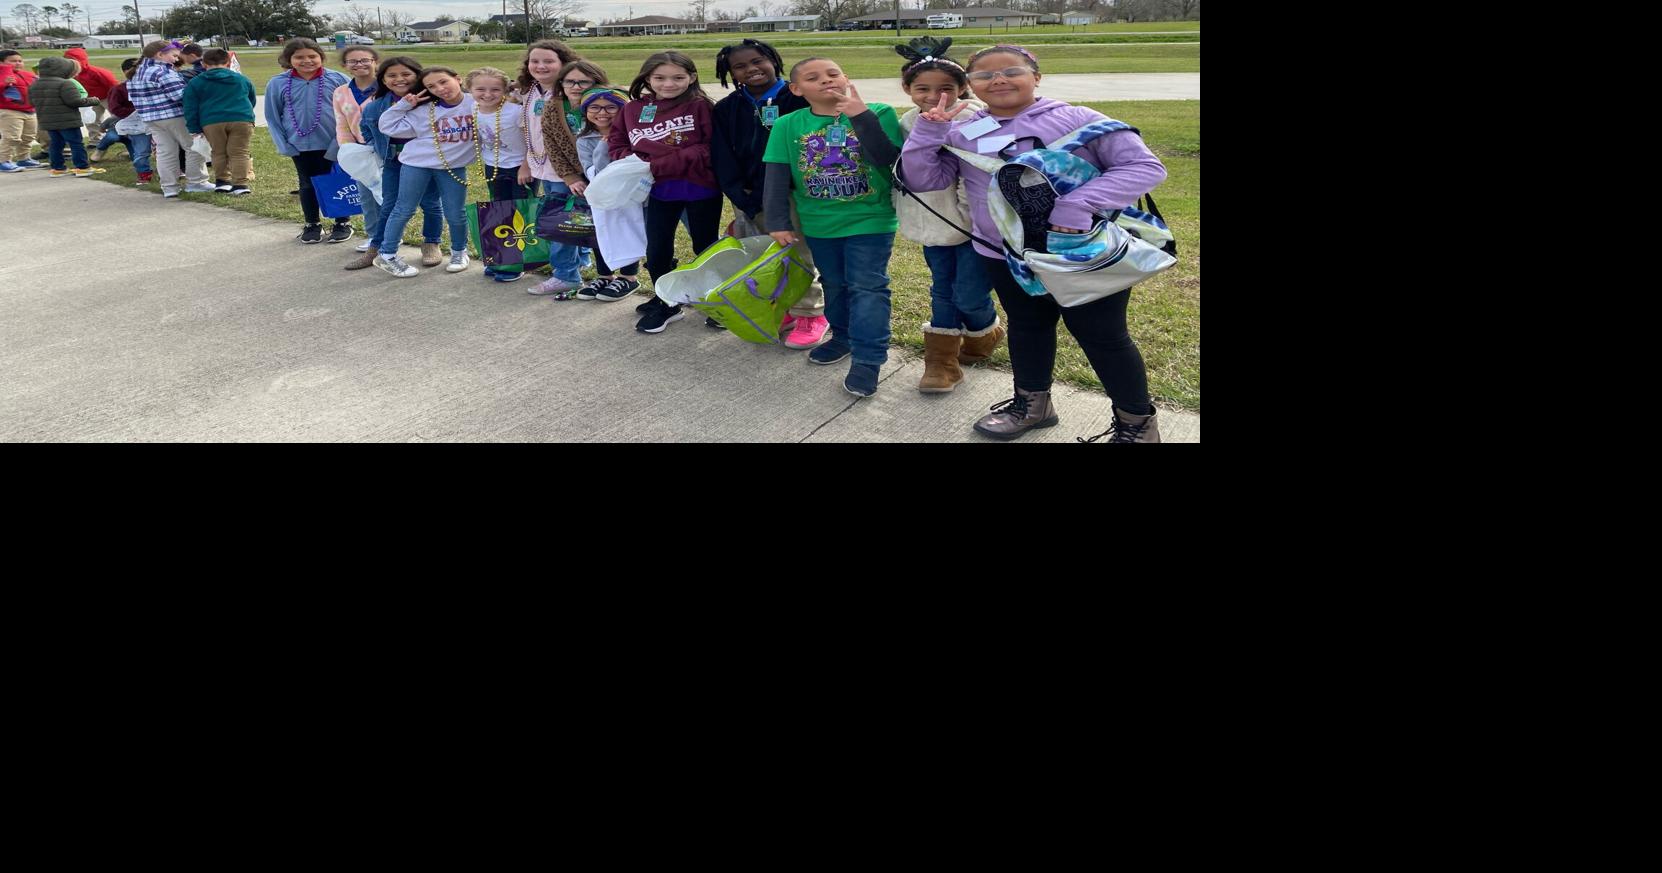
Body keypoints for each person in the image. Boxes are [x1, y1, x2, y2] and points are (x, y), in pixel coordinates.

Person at [899, 45, 1169, 442]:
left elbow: (1144, 166)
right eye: (984, 75)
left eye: (1011, 71)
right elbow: (925, 180)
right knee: (1027, 328)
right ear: (971, 85)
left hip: (1078, 255)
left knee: (1104, 338)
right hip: (1003, 253)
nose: (998, 80)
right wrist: (928, 132)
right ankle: (1033, 405)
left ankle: (1137, 425)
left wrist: (1078, 206)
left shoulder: (1076, 118)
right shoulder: (963, 130)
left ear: (1036, 76)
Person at [762, 57, 904, 397]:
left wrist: (860, 115)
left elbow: (887, 158)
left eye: (833, 73)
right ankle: (842, 337)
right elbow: (777, 177)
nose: (826, 80)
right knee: (835, 284)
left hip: (871, 220)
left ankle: (868, 360)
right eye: (813, 78)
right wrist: (778, 221)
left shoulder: (879, 112)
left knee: (868, 287)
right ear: (796, 90)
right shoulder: (787, 125)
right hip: (819, 223)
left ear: (846, 77)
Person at [710, 38, 828, 347]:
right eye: (740, 66)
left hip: (788, 192)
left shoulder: (798, 99)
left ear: (774, 61)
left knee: (797, 253)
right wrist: (738, 193)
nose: (751, 69)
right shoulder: (727, 107)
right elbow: (722, 155)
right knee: (765, 257)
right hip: (746, 197)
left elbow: (809, 149)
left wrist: (768, 191)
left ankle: (812, 313)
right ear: (731, 74)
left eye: (757, 61)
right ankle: (786, 307)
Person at [609, 51, 721, 334]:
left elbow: (710, 148)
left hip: (700, 188)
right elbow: (618, 141)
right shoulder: (634, 108)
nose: (668, 84)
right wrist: (631, 162)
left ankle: (716, 302)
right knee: (657, 249)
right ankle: (667, 301)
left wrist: (660, 163)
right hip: (657, 190)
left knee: (705, 247)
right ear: (647, 78)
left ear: (692, 77)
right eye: (659, 77)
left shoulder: (700, 106)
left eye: (678, 77)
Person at [373, 66, 477, 277]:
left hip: (452, 166)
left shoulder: (475, 103)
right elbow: (387, 126)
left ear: (458, 78)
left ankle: (459, 251)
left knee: (455, 212)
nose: (439, 88)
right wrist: (403, 105)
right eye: (431, 86)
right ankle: (387, 255)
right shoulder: (424, 109)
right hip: (416, 164)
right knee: (404, 209)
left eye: (444, 82)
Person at [264, 38, 352, 243]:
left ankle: (342, 222)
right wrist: (284, 144)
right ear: (289, 59)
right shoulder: (277, 83)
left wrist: (340, 142)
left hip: (335, 141)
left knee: (336, 180)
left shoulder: (338, 79)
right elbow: (272, 116)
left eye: (312, 56)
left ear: (320, 57)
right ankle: (312, 223)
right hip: (299, 145)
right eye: (299, 57)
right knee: (307, 183)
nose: (307, 61)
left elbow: (351, 112)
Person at [183, 48, 256, 195]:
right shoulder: (241, 79)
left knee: (218, 152)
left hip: (212, 120)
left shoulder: (196, 82)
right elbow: (251, 99)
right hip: (241, 118)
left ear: (203, 64)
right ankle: (240, 184)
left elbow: (190, 106)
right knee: (239, 152)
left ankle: (223, 181)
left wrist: (194, 127)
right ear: (228, 62)